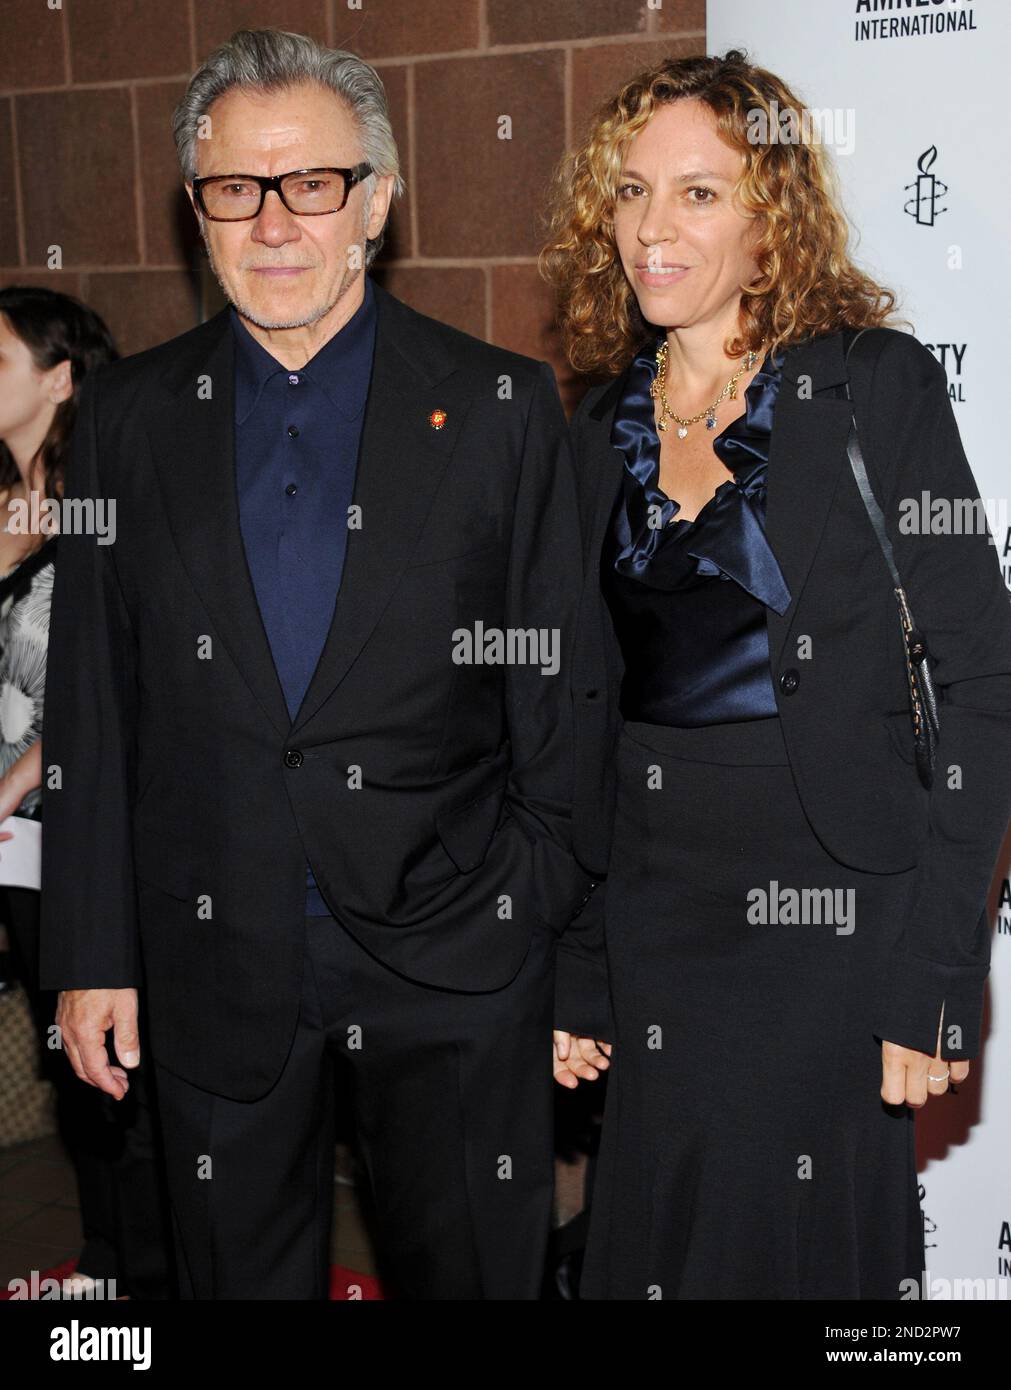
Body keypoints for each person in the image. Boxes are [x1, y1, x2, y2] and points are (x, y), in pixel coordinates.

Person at [39, 28, 588, 1300]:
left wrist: (545, 941)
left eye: (311, 184)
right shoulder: (124, 419)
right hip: (211, 951)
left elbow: (561, 700)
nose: (274, 220)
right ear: (198, 209)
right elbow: (93, 706)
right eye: (236, 187)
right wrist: (91, 951)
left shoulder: (503, 409)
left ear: (376, 203)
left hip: (452, 956)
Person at [543, 50, 1011, 1299]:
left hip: (834, 924)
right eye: (632, 192)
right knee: (662, 1235)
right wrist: (581, 962)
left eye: (700, 192)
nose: (654, 227)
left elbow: (983, 680)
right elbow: (583, 721)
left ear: (772, 214)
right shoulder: (597, 429)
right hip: (657, 922)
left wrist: (935, 973)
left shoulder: (876, 389)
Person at [0, 285, 173, 1299]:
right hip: (14, 845)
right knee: (67, 1061)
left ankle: (150, 1276)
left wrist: (19, 780)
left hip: (83, 828)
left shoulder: (104, 498)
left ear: (61, 376)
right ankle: (104, 1266)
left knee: (117, 1061)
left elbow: (105, 677)